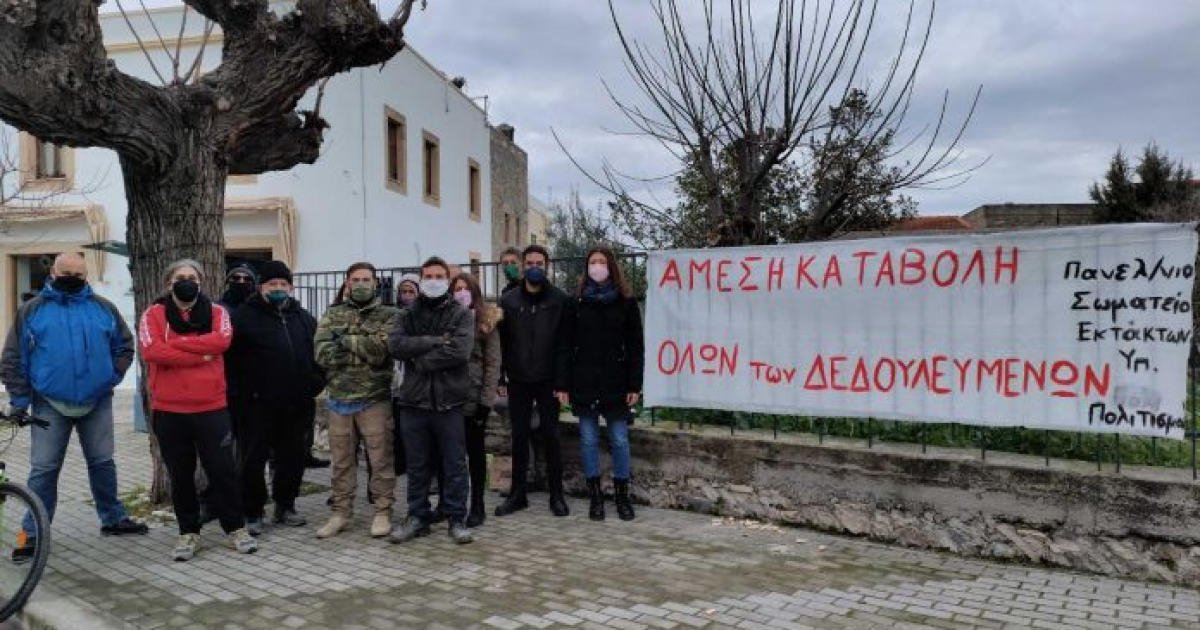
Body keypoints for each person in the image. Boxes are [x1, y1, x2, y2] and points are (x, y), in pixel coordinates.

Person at [0, 253, 147, 562]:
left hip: (96, 401)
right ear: (53, 271)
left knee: (103, 463)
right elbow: (12, 358)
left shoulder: (103, 308)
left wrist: (110, 376)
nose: (71, 276)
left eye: (77, 273)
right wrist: (19, 401)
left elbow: (125, 344)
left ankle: (113, 518)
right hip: (48, 404)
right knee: (43, 470)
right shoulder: (31, 310)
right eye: (65, 271)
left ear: (86, 274)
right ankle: (33, 533)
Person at [139, 259, 256, 561]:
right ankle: (188, 531)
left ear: (202, 282)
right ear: (169, 283)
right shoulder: (153, 314)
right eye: (181, 277)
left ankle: (235, 527)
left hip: (211, 408)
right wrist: (200, 352)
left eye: (192, 277)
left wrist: (177, 346)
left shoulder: (218, 313)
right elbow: (152, 351)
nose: (187, 281)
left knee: (223, 471)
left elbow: (222, 342)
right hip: (170, 410)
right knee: (181, 475)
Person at [227, 260, 325, 535]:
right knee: (252, 459)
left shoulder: (304, 318)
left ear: (291, 287)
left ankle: (285, 505)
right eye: (272, 284)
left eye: (283, 284)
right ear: (261, 287)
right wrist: (242, 394)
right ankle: (253, 511)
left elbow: (320, 354)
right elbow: (230, 363)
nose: (278, 288)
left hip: (297, 404)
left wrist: (314, 383)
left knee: (292, 457)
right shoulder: (243, 318)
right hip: (255, 405)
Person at [388, 257, 475, 545]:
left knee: (454, 465)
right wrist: (436, 341)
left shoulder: (461, 314)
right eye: (429, 275)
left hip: (449, 403)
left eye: (439, 275)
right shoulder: (407, 314)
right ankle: (417, 516)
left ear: (448, 280)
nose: (434, 280)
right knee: (417, 465)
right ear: (421, 278)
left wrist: (422, 360)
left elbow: (460, 351)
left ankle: (456, 518)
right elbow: (396, 346)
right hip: (414, 402)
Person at [313, 262, 398, 539]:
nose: (361, 284)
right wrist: (361, 346)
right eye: (356, 279)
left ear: (375, 283)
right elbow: (322, 354)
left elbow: (381, 352)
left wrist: (344, 339)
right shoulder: (333, 313)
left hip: (374, 400)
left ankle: (383, 511)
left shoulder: (390, 315)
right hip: (339, 399)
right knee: (341, 461)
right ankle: (341, 513)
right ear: (347, 283)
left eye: (366, 279)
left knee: (380, 459)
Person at [562, 247, 644, 521]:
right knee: (588, 440)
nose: (597, 266)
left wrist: (635, 384)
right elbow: (564, 345)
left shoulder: (626, 302)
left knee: (620, 440)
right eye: (592, 262)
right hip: (584, 381)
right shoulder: (576, 302)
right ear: (586, 267)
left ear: (611, 266)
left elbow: (636, 346)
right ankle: (595, 495)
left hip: (616, 381)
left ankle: (622, 495)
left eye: (601, 261)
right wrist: (563, 383)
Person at [494, 245, 571, 518]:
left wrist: (563, 383)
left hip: (549, 380)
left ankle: (557, 495)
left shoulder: (561, 300)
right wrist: (500, 376)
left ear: (547, 265)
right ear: (523, 266)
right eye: (530, 262)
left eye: (540, 262)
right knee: (518, 436)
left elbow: (565, 345)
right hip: (518, 379)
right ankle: (518, 494)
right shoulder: (509, 301)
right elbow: (501, 343)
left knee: (551, 437)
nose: (534, 266)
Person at [431, 273, 500, 527]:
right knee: (445, 454)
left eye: (465, 288)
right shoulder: (445, 319)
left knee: (475, 453)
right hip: (447, 397)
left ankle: (478, 505)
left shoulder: (486, 322)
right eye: (456, 288)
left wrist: (485, 402)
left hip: (473, 398)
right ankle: (445, 504)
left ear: (474, 292)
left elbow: (493, 365)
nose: (461, 293)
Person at [390, 273, 419, 476]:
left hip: (416, 380)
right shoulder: (393, 315)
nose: (407, 295)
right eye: (403, 291)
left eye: (411, 291)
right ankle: (399, 463)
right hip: (395, 382)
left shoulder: (423, 316)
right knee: (397, 426)